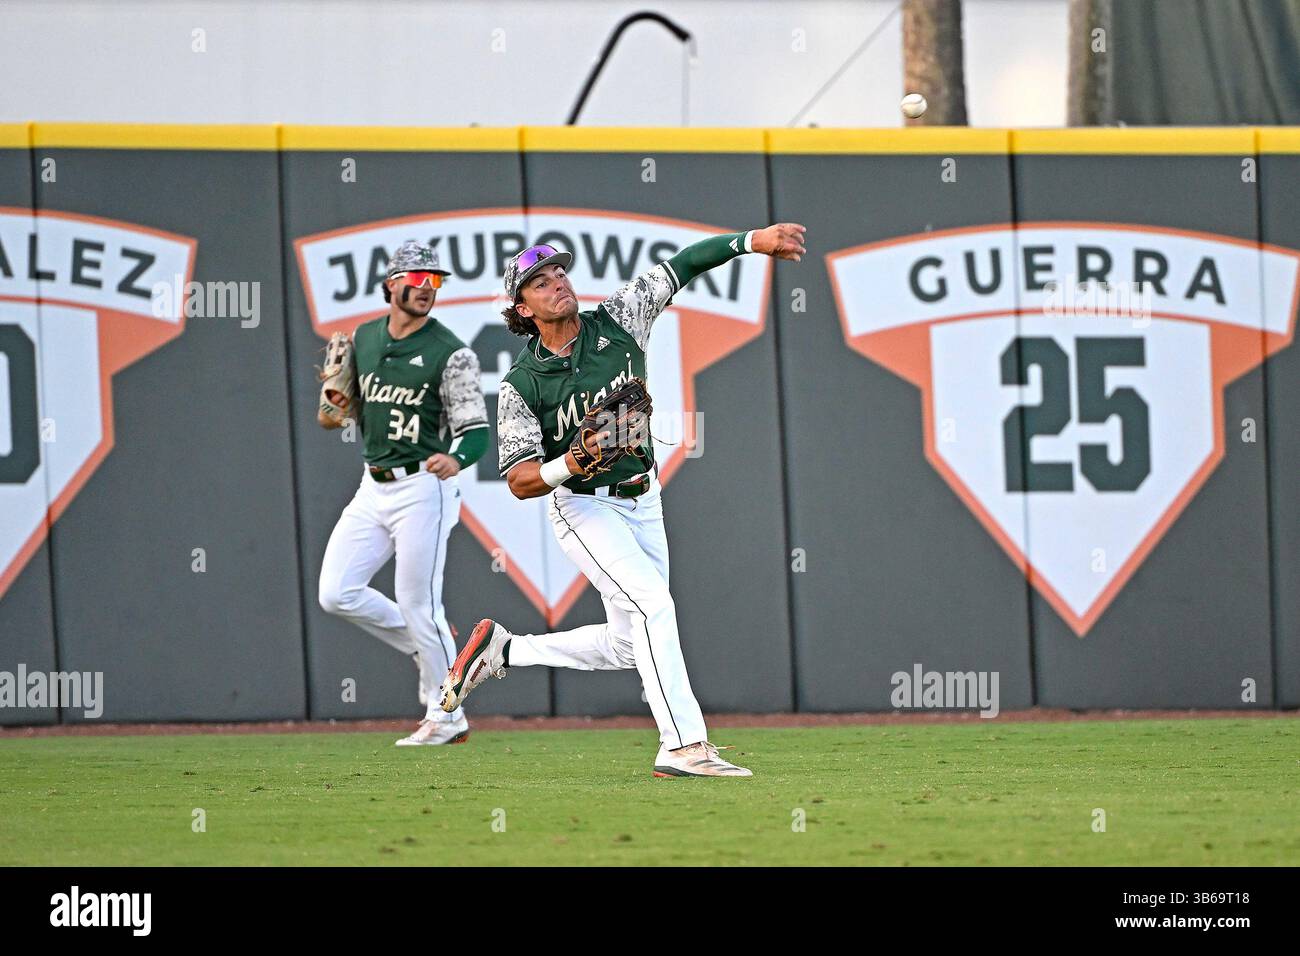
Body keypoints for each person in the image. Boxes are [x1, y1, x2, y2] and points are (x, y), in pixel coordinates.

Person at [438, 223, 806, 776]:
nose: (557, 282)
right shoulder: (521, 383)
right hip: (584, 506)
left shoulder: (619, 317)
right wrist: (574, 462)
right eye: (541, 281)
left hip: (643, 496)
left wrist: (753, 241)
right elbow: (519, 480)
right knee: (654, 606)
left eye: (560, 271)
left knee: (632, 643)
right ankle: (683, 745)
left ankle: (505, 651)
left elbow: (682, 265)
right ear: (523, 307)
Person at [318, 239, 489, 746]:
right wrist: (334, 402)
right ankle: (429, 641)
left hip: (425, 486)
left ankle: (447, 714)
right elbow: (335, 418)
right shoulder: (363, 339)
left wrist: (457, 457)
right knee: (336, 592)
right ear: (391, 284)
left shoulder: (450, 352)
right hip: (373, 486)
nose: (426, 289)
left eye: (435, 282)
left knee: (417, 602)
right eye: (417, 279)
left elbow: (477, 429)